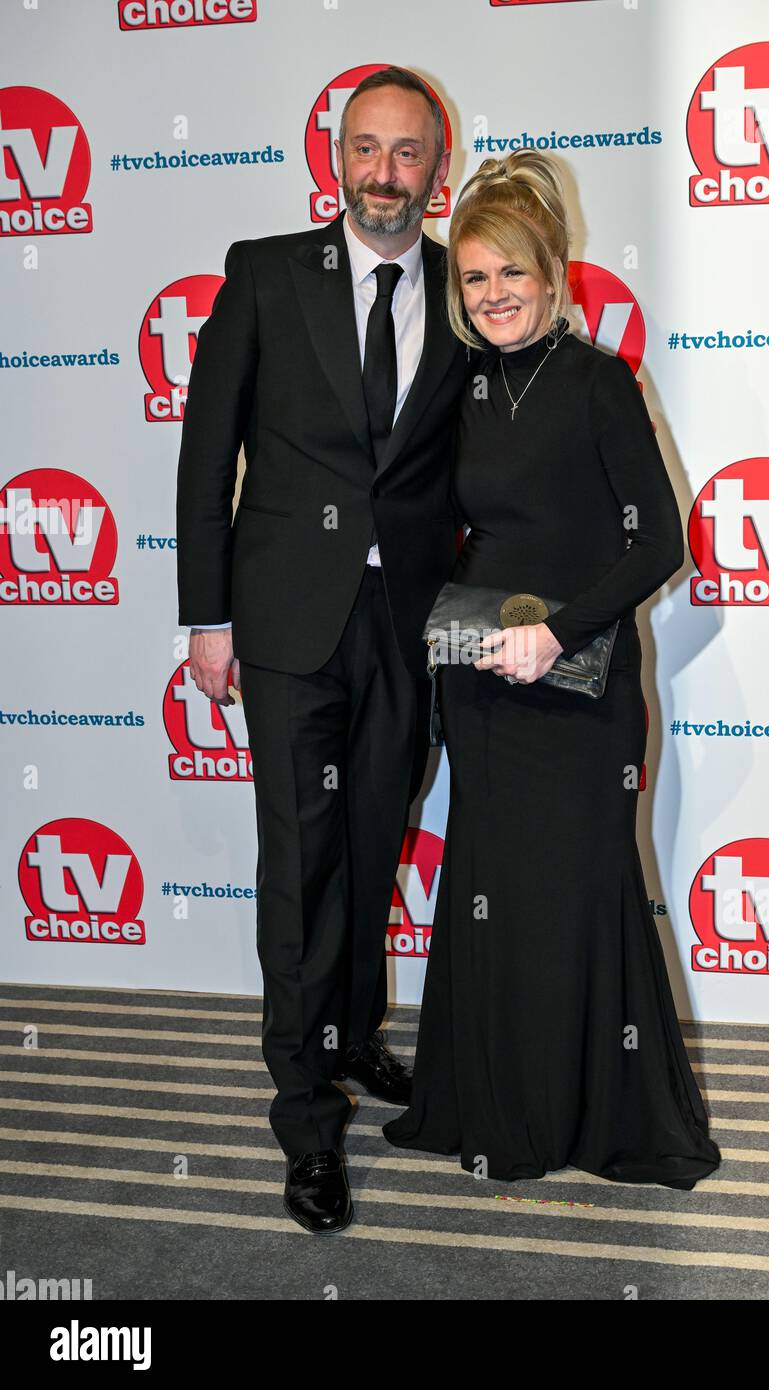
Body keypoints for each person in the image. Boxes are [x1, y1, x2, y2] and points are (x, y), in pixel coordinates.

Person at [383, 151, 722, 1188]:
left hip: (579, 684)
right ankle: (487, 1106)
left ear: (550, 274)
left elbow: (657, 541)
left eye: (510, 276)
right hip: (479, 680)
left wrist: (558, 632)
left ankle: (590, 1116)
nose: (492, 296)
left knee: (575, 890)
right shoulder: (455, 388)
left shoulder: (598, 379)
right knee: (488, 888)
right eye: (474, 278)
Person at [176, 67, 469, 1233]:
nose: (384, 173)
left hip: (408, 628)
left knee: (368, 841)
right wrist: (207, 617)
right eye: (366, 149)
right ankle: (305, 1119)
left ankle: (349, 1041)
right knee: (300, 873)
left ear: (433, 170)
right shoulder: (261, 273)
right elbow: (207, 455)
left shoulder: (462, 287)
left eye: (407, 154)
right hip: (288, 625)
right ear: (333, 159)